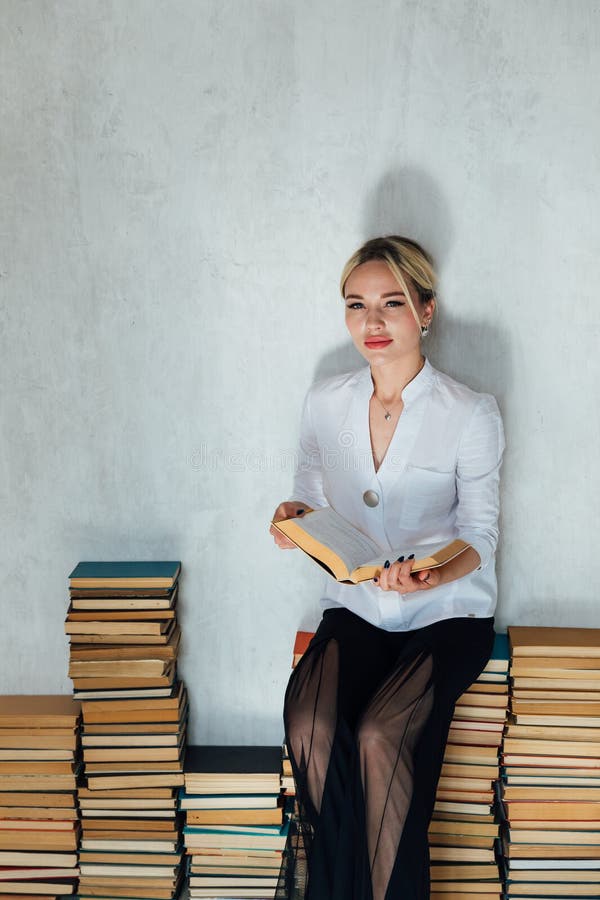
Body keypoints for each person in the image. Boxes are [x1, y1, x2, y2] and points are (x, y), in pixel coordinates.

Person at [270, 235, 505, 900]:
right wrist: (292, 519)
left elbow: (479, 535)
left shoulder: (470, 413)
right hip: (359, 610)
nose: (371, 323)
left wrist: (434, 575)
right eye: (356, 305)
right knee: (308, 721)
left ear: (425, 311)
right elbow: (308, 501)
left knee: (378, 733)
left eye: (391, 303)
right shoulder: (325, 401)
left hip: (447, 617)